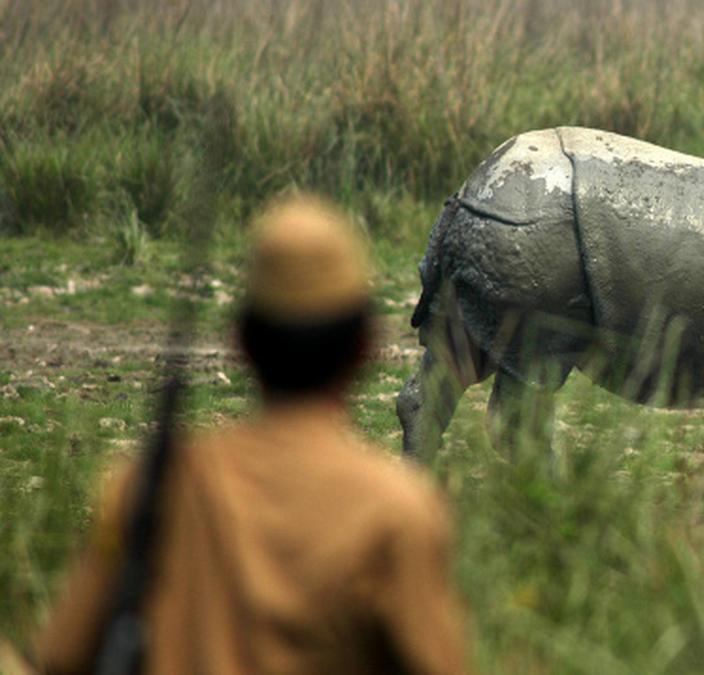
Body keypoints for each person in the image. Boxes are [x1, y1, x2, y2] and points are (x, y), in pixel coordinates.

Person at [38, 194, 471, 674]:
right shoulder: (398, 510)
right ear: (364, 347)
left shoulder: (144, 489)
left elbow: (61, 655)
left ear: (241, 342)